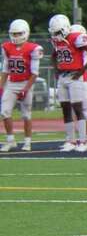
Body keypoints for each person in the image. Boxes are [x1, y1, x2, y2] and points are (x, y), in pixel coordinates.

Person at [48, 14, 87, 152]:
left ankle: (83, 141)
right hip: (63, 77)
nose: (55, 35)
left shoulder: (76, 37)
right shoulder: (57, 41)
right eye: (53, 33)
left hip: (75, 76)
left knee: (78, 108)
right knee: (65, 109)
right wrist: (56, 69)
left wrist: (82, 70)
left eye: (57, 32)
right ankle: (70, 140)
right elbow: (53, 55)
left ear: (65, 28)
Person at [1, 19, 43, 152]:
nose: (16, 36)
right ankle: (10, 141)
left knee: (26, 115)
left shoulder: (33, 48)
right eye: (14, 34)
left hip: (26, 83)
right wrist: (1, 86)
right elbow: (5, 69)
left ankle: (27, 142)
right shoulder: (7, 47)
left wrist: (26, 89)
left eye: (19, 33)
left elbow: (35, 73)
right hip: (12, 83)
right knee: (4, 112)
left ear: (25, 33)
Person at [69, 24, 87, 150]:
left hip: (82, 79)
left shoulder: (86, 47)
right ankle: (79, 139)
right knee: (75, 111)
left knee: (84, 111)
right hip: (74, 80)